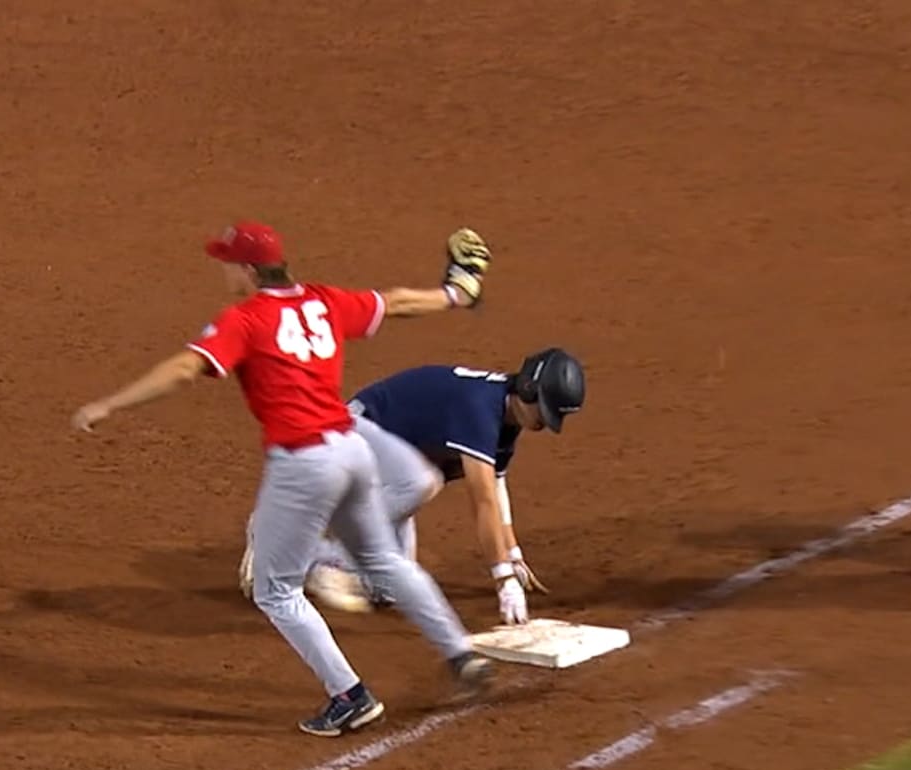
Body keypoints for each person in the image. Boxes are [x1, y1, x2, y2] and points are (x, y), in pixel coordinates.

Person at [71, 220, 495, 737]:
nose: (223, 270)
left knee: (276, 590)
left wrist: (109, 403)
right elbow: (397, 301)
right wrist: (456, 293)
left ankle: (350, 696)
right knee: (383, 558)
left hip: (304, 464)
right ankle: (460, 653)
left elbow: (186, 369)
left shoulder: (246, 318)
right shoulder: (324, 301)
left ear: (249, 270)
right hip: (353, 450)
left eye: (228, 262)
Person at [237, 349, 586, 626]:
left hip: (389, 464)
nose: (543, 422)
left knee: (388, 587)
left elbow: (497, 488)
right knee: (423, 483)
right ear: (527, 388)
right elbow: (483, 503)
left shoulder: (505, 415)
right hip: (350, 437)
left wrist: (513, 553)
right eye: (543, 410)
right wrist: (502, 579)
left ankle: (301, 548)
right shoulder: (480, 409)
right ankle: (288, 542)